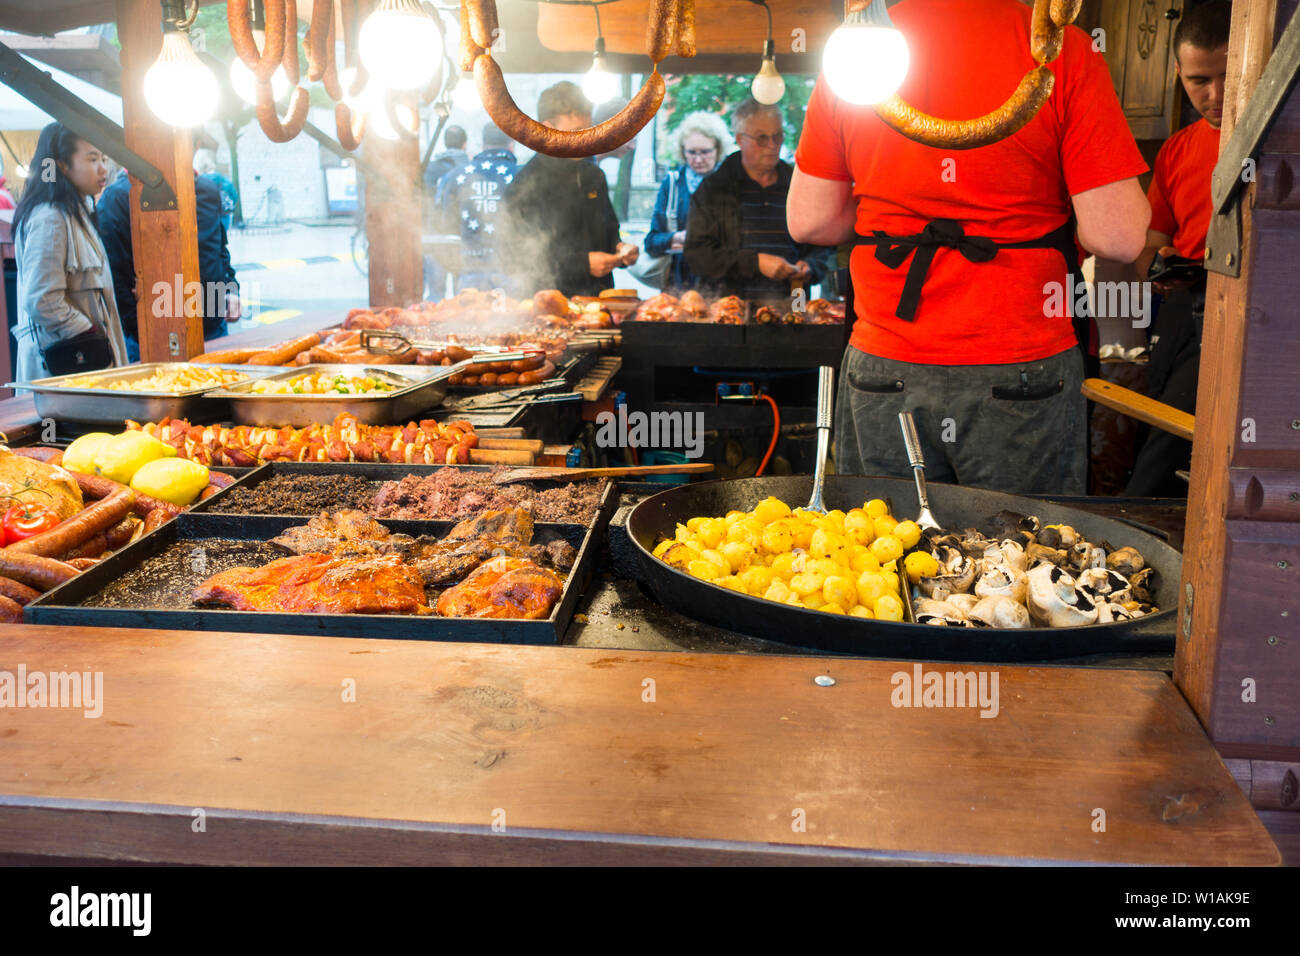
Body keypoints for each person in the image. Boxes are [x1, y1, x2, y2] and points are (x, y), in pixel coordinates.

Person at [788, 0, 1150, 495]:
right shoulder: (1061, 47)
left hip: (885, 360)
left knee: (885, 557)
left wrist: (897, 205)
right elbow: (1119, 237)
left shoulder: (855, 52)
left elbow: (811, 221)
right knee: (1027, 556)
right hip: (1022, 367)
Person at [1125, 1, 1229, 496]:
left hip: (1257, 319)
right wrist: (1157, 269)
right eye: (1199, 80)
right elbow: (1154, 239)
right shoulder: (1178, 148)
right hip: (1182, 310)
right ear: (1178, 73)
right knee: (1160, 446)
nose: (1217, 95)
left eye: (1229, 75)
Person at [684, 98, 834, 305]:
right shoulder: (713, 188)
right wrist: (755, 262)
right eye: (762, 138)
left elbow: (823, 243)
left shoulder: (799, 184)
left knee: (802, 334)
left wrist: (811, 266)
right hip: (730, 306)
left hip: (795, 299)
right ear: (740, 139)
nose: (772, 146)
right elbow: (697, 256)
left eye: (777, 136)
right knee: (735, 330)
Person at [12, 122, 127, 382]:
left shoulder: (78, 213)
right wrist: (88, 332)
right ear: (62, 165)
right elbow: (42, 300)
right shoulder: (50, 218)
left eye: (104, 158)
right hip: (67, 372)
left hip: (87, 371)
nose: (103, 168)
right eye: (92, 158)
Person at [503, 82, 638, 298]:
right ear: (547, 127)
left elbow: (610, 234)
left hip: (599, 304)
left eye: (586, 131)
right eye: (575, 132)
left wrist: (621, 250)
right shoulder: (524, 185)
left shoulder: (594, 176)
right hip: (547, 305)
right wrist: (583, 264)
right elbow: (514, 256)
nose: (583, 140)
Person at [97, 163, 240, 355]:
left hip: (212, 325)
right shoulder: (118, 197)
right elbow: (116, 271)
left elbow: (219, 248)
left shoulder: (206, 189)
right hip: (154, 335)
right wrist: (138, 328)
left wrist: (231, 288)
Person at [643, 111, 732, 292]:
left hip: (720, 286)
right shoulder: (673, 183)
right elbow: (651, 241)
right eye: (691, 152)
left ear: (718, 149)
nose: (698, 159)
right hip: (678, 286)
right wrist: (673, 238)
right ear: (682, 151)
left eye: (705, 152)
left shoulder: (730, 185)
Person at [436, 121, 518, 293]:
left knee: (471, 318)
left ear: (482, 146)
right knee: (515, 319)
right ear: (511, 145)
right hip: (512, 273)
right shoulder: (521, 175)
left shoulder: (455, 176)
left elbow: (444, 226)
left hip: (469, 272)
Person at [422, 125, 470, 301]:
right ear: (464, 144)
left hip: (432, 238)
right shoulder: (468, 168)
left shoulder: (429, 168)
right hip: (459, 239)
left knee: (435, 296)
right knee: (463, 299)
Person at [194, 148, 239, 232]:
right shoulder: (225, 181)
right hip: (225, 218)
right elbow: (235, 197)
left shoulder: (199, 183)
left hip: (206, 221)